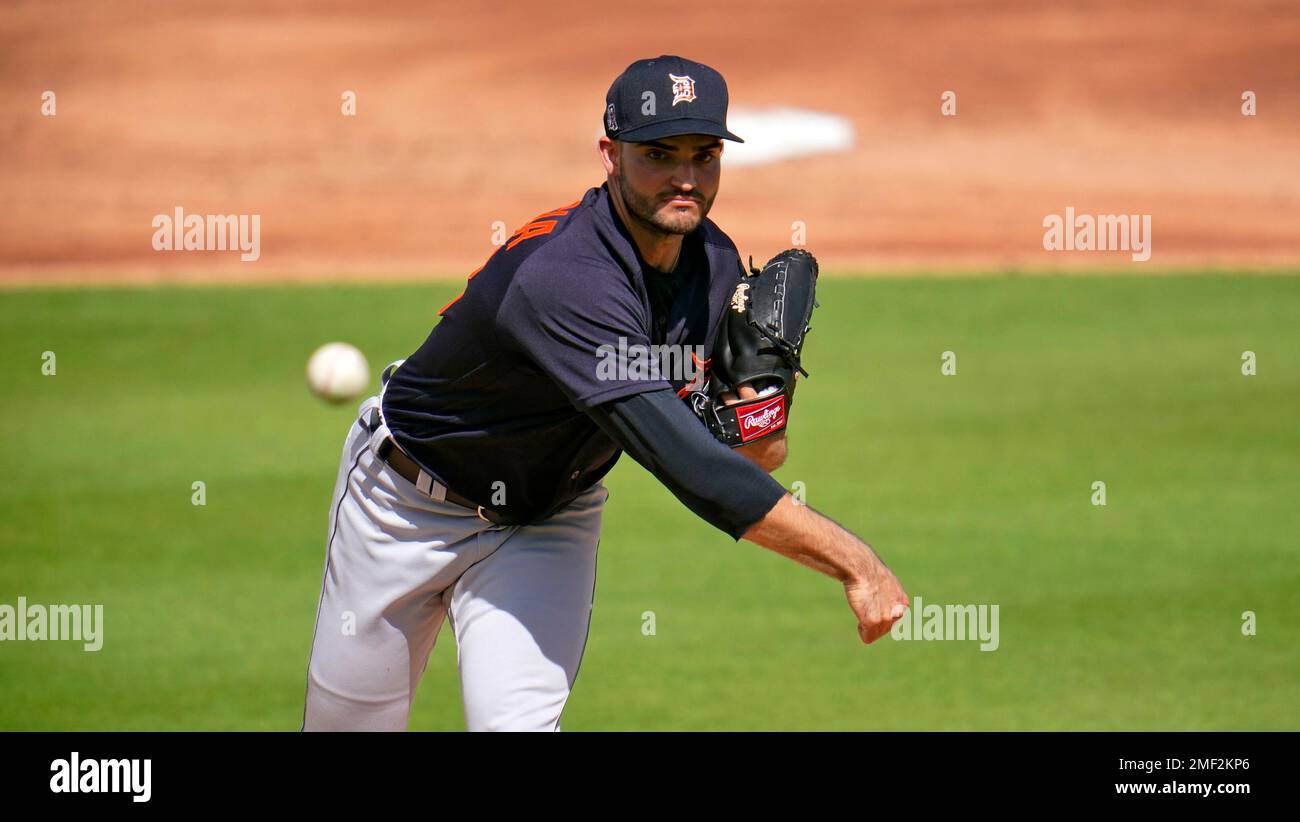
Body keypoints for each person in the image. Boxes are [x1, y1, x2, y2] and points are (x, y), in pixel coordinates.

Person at [301, 55, 908, 732]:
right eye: (658, 153)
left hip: (545, 521)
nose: (685, 177)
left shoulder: (713, 267)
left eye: (704, 155)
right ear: (610, 154)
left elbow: (752, 457)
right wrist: (856, 562)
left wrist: (762, 392)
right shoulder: (566, 280)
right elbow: (695, 469)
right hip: (404, 507)